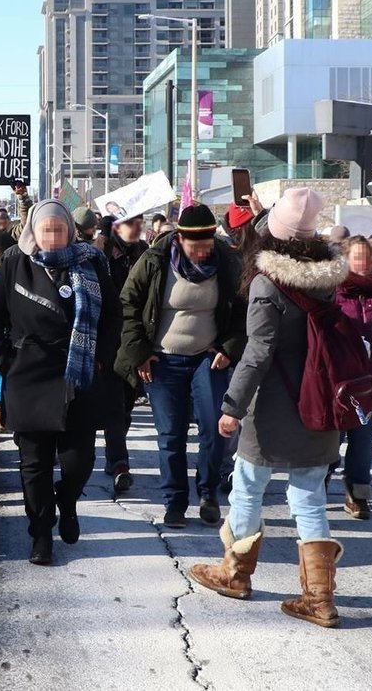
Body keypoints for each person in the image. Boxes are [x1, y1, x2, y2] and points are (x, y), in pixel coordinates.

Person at [188, 189, 348, 628]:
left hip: (272, 406)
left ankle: (235, 573)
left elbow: (257, 353)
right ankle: (320, 599)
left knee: (247, 487)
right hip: (320, 402)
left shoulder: (267, 283)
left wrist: (232, 406)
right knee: (310, 498)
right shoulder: (327, 276)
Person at [0, 200, 123, 566]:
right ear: (34, 232)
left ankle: (68, 499)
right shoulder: (16, 262)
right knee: (34, 464)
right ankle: (40, 533)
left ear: (70, 231)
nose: (53, 237)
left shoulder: (90, 261)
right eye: (47, 230)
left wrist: (102, 357)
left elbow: (112, 315)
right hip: (28, 374)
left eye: (59, 230)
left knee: (79, 461)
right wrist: (5, 360)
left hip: (78, 373)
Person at [117, 204, 245, 528]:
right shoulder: (155, 260)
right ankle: (174, 502)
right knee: (171, 435)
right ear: (180, 239)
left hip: (207, 358)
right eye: (195, 247)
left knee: (215, 426)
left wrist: (229, 348)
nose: (202, 253)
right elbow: (128, 304)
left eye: (207, 246)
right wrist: (139, 352)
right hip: (163, 360)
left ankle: (208, 493)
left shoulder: (227, 261)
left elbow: (242, 310)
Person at [333, 236, 372, 519]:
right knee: (331, 437)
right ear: (345, 260)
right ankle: (317, 483)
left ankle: (358, 493)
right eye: (357, 257)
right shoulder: (332, 290)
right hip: (339, 379)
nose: (364, 263)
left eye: (367, 257)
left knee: (363, 438)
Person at [97, 212, 149, 495]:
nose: (136, 229)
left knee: (127, 405)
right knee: (115, 407)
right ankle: (120, 463)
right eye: (131, 224)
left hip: (135, 340)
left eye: (139, 224)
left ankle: (113, 454)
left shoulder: (144, 254)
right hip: (109, 340)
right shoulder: (101, 254)